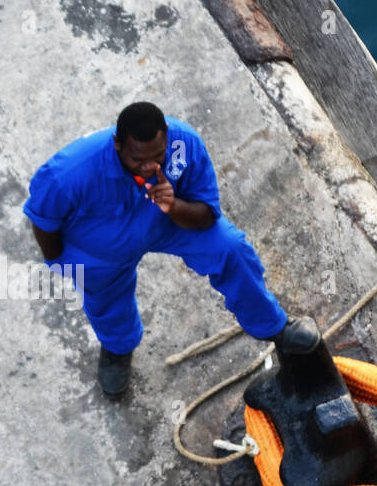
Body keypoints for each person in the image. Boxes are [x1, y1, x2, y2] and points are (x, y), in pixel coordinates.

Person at [23, 102, 318, 397]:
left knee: (230, 248)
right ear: (117, 144)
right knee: (104, 295)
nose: (150, 167)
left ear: (166, 136)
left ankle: (273, 325)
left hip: (168, 219)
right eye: (138, 160)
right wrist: (59, 260)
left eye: (157, 156)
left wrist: (173, 205)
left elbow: (206, 215)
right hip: (103, 236)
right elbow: (42, 217)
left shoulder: (185, 143)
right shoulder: (71, 170)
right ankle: (117, 349)